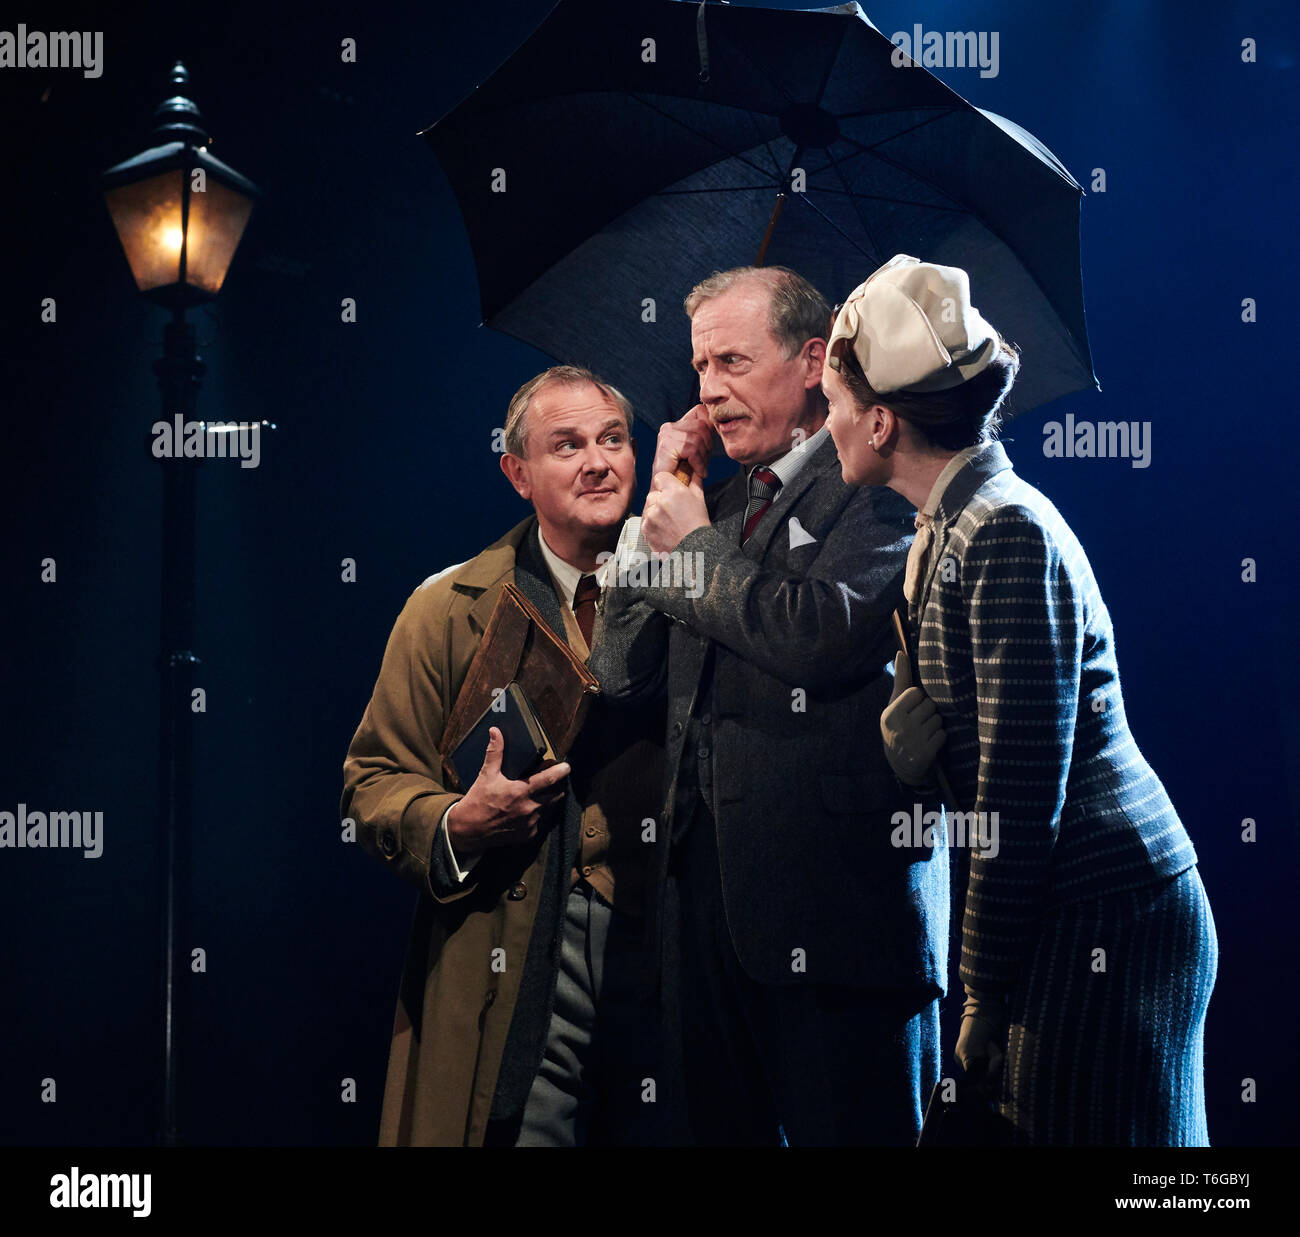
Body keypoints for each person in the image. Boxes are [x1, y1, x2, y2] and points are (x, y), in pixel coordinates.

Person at [821, 253, 1217, 1145]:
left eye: (836, 399)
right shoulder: (944, 528)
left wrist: (984, 987)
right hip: (1060, 909)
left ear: (881, 421)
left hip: (1105, 910)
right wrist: (916, 755)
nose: (828, 419)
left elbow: (1019, 793)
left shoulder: (1000, 529)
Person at [588, 266, 949, 1146]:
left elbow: (821, 634)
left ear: (813, 360)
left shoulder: (878, 470)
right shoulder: (709, 498)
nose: (709, 389)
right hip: (703, 912)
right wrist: (652, 518)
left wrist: (699, 550)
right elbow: (619, 670)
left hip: (835, 912)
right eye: (700, 363)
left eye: (733, 361)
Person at [340, 364, 666, 1146]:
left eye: (613, 438)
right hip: (512, 950)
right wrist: (459, 819)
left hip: (663, 948)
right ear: (516, 473)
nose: (598, 460)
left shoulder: (692, 583)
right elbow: (374, 782)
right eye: (567, 444)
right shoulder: (447, 608)